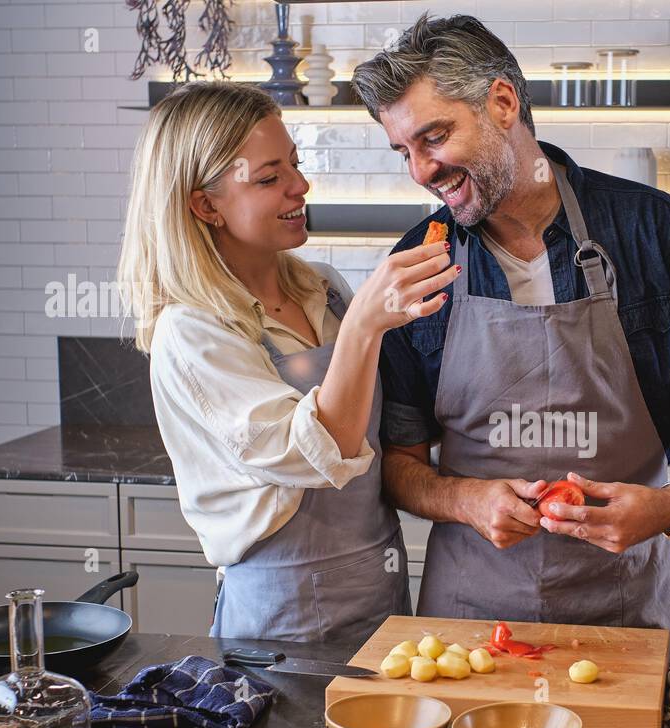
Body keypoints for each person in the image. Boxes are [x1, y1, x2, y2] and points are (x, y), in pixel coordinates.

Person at [351, 15, 670, 664]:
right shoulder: (416, 267)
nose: (422, 171)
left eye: (434, 137)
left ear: (504, 103)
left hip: (626, 614)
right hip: (471, 627)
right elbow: (398, 465)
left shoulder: (654, 231)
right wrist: (464, 497)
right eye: (404, 151)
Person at [119, 82, 456, 649]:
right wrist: (366, 325)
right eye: (270, 177)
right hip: (281, 616)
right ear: (206, 205)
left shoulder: (325, 289)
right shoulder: (193, 331)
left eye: (295, 166)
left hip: (381, 589)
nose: (301, 186)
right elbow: (315, 453)